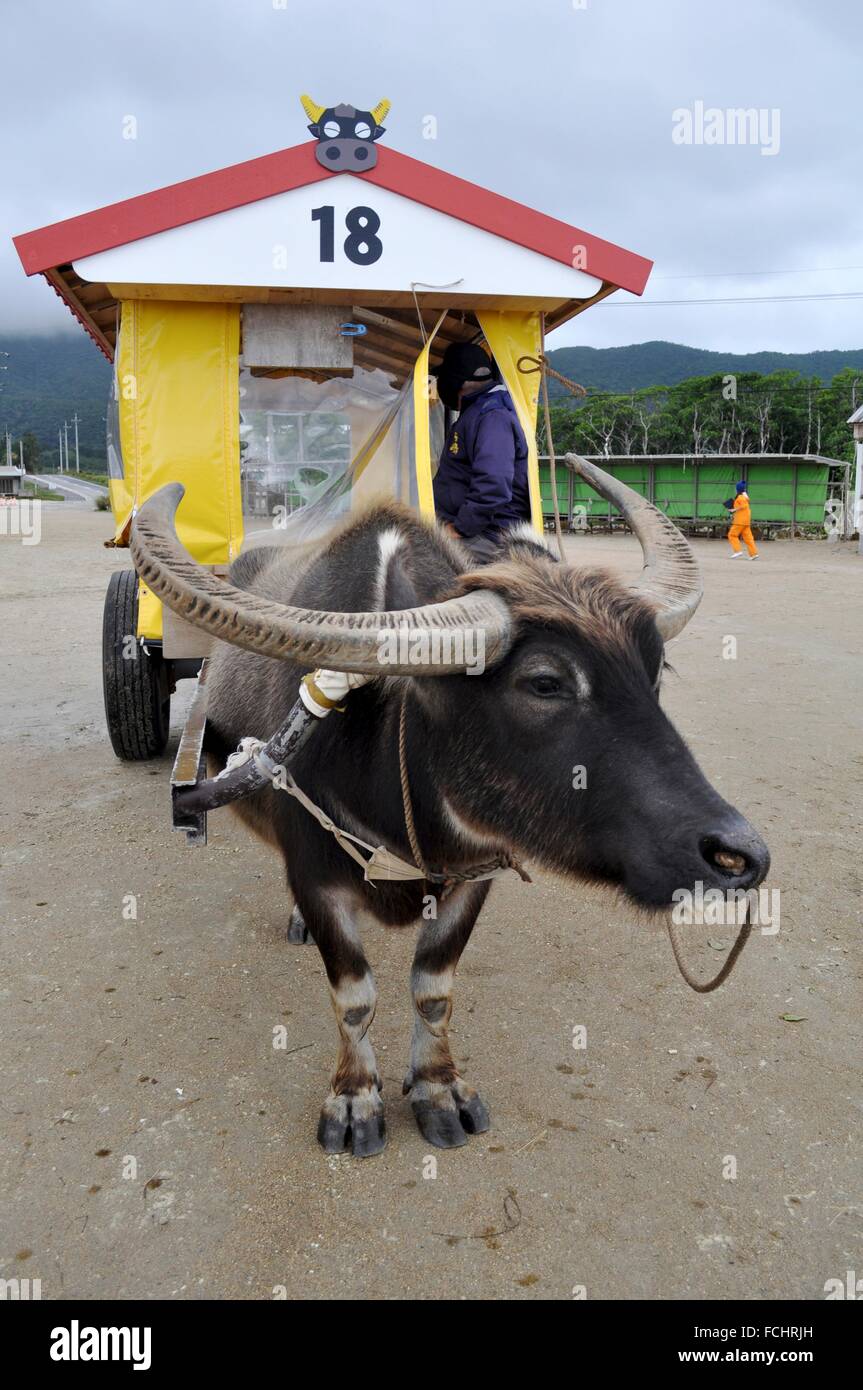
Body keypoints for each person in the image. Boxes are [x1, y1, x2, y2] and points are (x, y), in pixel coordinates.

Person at [433, 341, 531, 564]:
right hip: (475, 529)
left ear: (455, 380)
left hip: (489, 535)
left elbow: (493, 484)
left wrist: (460, 528)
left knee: (415, 559)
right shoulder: (477, 412)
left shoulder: (493, 416)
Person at [726, 479, 759, 559]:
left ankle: (737, 551)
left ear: (737, 489)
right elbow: (745, 504)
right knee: (748, 538)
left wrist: (733, 510)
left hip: (740, 521)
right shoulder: (744, 497)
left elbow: (743, 506)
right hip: (746, 521)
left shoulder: (740, 497)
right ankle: (754, 554)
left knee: (732, 535)